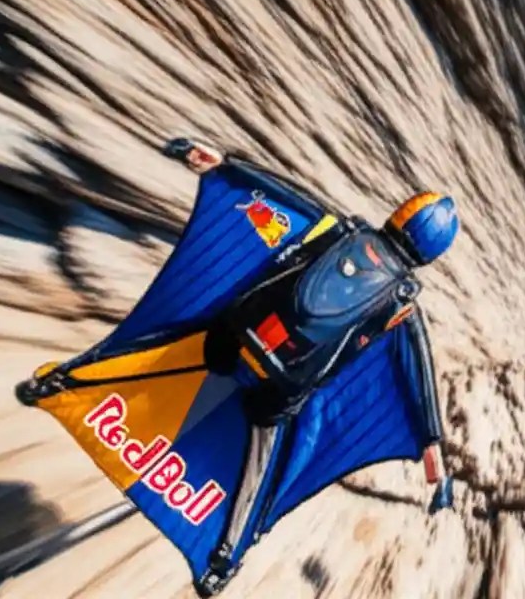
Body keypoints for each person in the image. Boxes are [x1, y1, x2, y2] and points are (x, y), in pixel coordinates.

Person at [162, 137, 457, 593]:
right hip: (279, 388)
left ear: (398, 213)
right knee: (260, 469)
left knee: (190, 344)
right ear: (430, 256)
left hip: (231, 338)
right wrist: (432, 448)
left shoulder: (343, 232)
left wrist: (224, 165)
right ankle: (223, 560)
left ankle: (69, 382)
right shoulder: (402, 305)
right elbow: (417, 375)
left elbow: (287, 198)